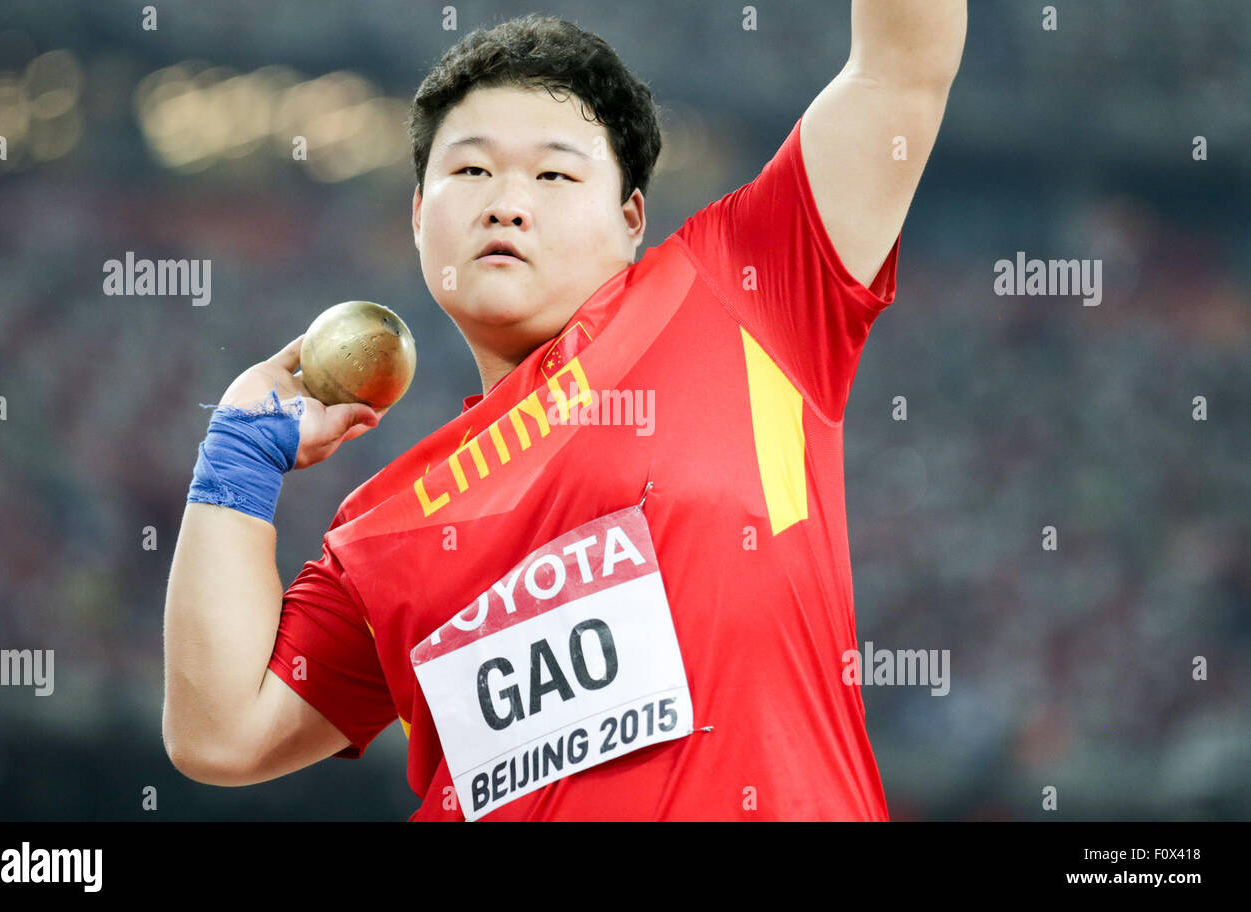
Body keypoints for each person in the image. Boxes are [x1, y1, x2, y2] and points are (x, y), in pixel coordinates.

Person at [164, 4, 966, 821]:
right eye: (469, 172)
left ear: (630, 219)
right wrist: (238, 452)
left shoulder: (742, 288)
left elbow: (902, 67)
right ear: (417, 217)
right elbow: (222, 735)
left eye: (554, 175)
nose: (506, 204)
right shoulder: (385, 529)